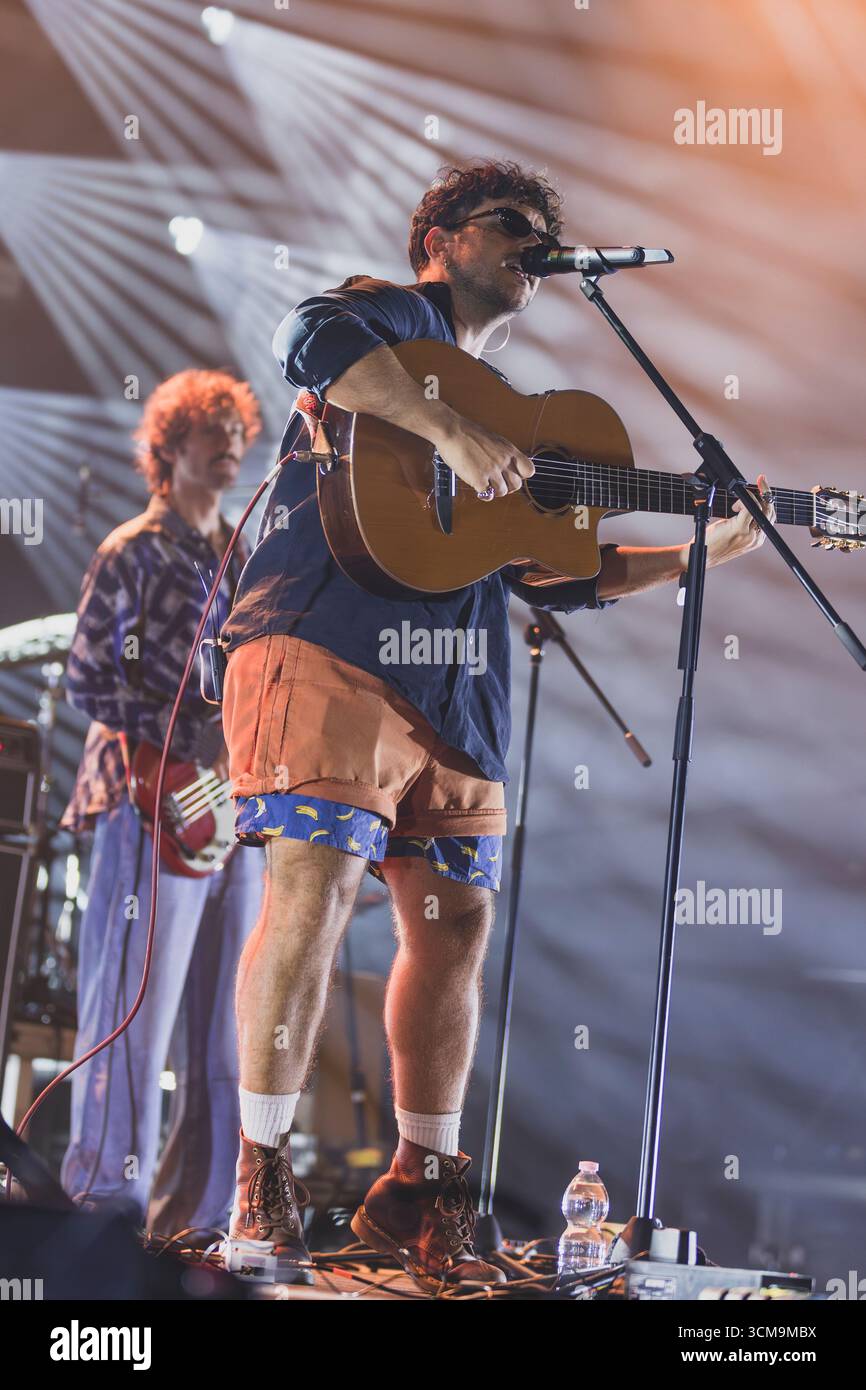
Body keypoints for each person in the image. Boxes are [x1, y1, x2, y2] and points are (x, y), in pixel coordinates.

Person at [220, 161, 774, 1291]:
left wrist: (695, 555)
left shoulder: (517, 407)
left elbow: (556, 573)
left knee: (455, 927)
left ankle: (417, 1186)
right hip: (330, 632)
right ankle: (260, 1172)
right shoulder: (392, 319)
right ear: (441, 237)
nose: (536, 242)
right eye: (511, 225)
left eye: (547, 231)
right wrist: (448, 434)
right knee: (313, 889)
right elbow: (304, 334)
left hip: (457, 684)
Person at [61, 370, 265, 1236]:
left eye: (235, 428)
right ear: (170, 447)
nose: (228, 441)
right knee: (131, 1012)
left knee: (234, 1026)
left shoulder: (245, 557)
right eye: (209, 428)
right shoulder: (130, 549)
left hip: (234, 814)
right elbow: (85, 680)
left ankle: (206, 1218)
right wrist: (188, 744)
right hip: (146, 801)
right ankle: (105, 1207)